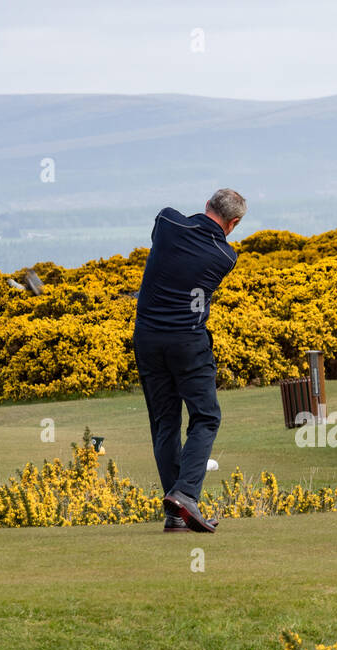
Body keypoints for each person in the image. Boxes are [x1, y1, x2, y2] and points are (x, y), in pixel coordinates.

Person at [133, 188, 246, 533]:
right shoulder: (225, 256)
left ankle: (174, 513)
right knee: (206, 416)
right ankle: (185, 495)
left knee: (165, 423)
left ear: (206, 205)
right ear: (234, 223)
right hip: (188, 343)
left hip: (148, 340)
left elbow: (167, 238)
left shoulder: (167, 222)